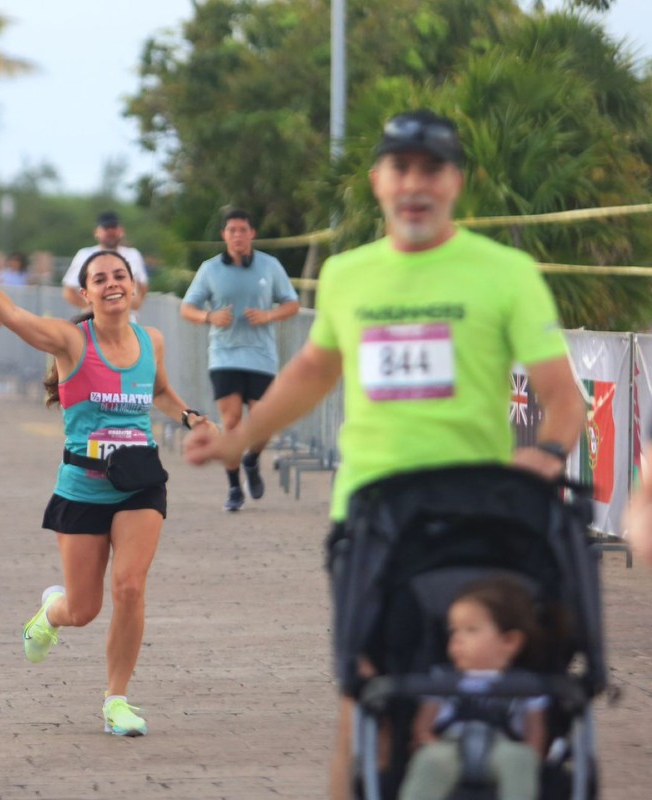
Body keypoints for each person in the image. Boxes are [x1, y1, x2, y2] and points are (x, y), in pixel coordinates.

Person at [182, 109, 585, 799]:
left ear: (457, 181)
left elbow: (563, 396)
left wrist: (547, 455)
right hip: (373, 519)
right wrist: (240, 438)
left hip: (477, 520)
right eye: (401, 169)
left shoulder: (507, 273)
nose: (415, 184)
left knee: (485, 688)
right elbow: (313, 370)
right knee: (365, 701)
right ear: (379, 182)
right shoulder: (348, 275)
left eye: (432, 169)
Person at [0, 217, 214, 737]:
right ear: (86, 292)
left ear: (134, 287)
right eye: (101, 278)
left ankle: (117, 700)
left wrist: (187, 416)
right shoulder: (70, 341)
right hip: (83, 485)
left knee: (131, 587)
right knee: (85, 608)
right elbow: (16, 316)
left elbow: (158, 390)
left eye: (121, 275)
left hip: (140, 482)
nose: (113, 283)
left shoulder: (151, 339)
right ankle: (50, 614)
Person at [180, 207, 300, 511]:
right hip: (225, 355)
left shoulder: (269, 266)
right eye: (231, 230)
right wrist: (209, 316)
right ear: (224, 235)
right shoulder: (210, 269)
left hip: (261, 355)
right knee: (231, 422)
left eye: (242, 230)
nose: (237, 235)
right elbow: (187, 308)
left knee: (264, 423)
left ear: (252, 234)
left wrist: (269, 315)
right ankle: (234, 488)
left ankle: (252, 460)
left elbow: (292, 303)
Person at [399, 576, 547, 800]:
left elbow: (535, 732)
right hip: (449, 746)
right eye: (453, 631)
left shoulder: (525, 683)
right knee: (431, 760)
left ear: (509, 641)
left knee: (521, 759)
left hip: (503, 746)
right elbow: (423, 726)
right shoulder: (441, 678)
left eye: (471, 630)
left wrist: (533, 754)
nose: (457, 640)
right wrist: (425, 740)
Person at [61, 211, 149, 310]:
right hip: (96, 321)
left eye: (114, 228)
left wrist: (136, 304)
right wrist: (93, 309)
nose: (111, 232)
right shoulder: (85, 255)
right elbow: (69, 290)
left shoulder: (133, 255)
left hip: (128, 319)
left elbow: (143, 284)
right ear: (96, 232)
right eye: (106, 228)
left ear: (121, 231)